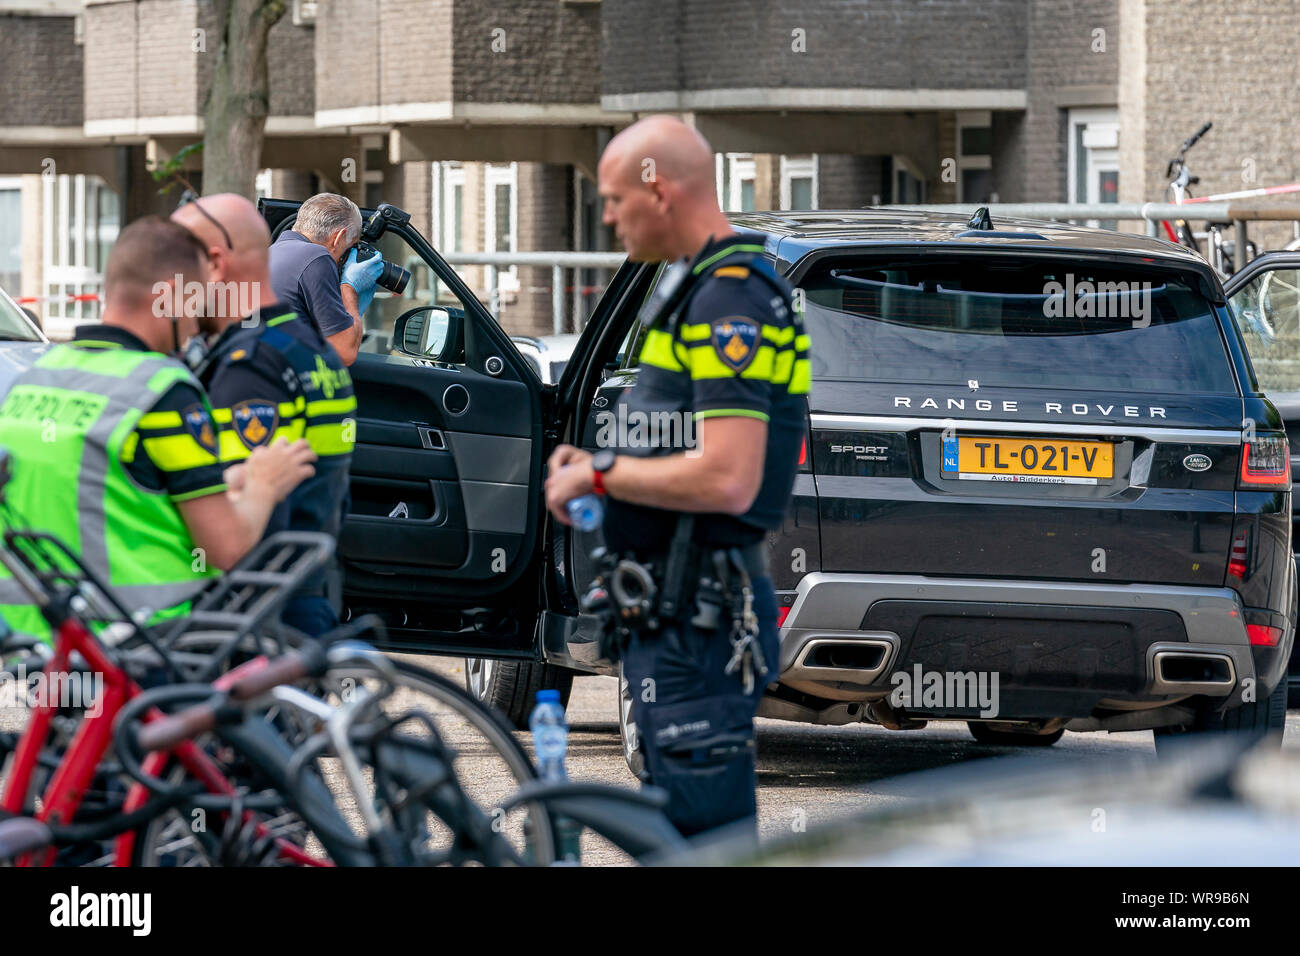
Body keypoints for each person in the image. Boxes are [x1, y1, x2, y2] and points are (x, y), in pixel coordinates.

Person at [544, 115, 810, 838]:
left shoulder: (731, 299)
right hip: (671, 612)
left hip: (698, 617)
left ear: (659, 191)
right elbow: (673, 442)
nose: (605, 216)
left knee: (705, 845)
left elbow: (728, 476)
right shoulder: (695, 287)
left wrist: (599, 473)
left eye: (613, 198)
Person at [0, 216, 316, 642]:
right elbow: (225, 548)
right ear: (169, 297)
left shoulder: (35, 377)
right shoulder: (161, 391)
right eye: (196, 302)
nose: (196, 325)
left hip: (39, 643)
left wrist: (224, 480)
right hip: (143, 646)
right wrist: (263, 484)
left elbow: (108, 493)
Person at [172, 194, 356, 638]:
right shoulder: (308, 349)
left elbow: (244, 522)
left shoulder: (250, 364)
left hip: (259, 609)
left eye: (178, 265)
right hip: (305, 585)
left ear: (215, 265)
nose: (172, 286)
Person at [268, 192, 381, 366]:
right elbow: (344, 353)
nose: (347, 258)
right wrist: (349, 288)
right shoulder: (316, 256)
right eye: (350, 248)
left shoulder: (269, 253)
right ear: (339, 238)